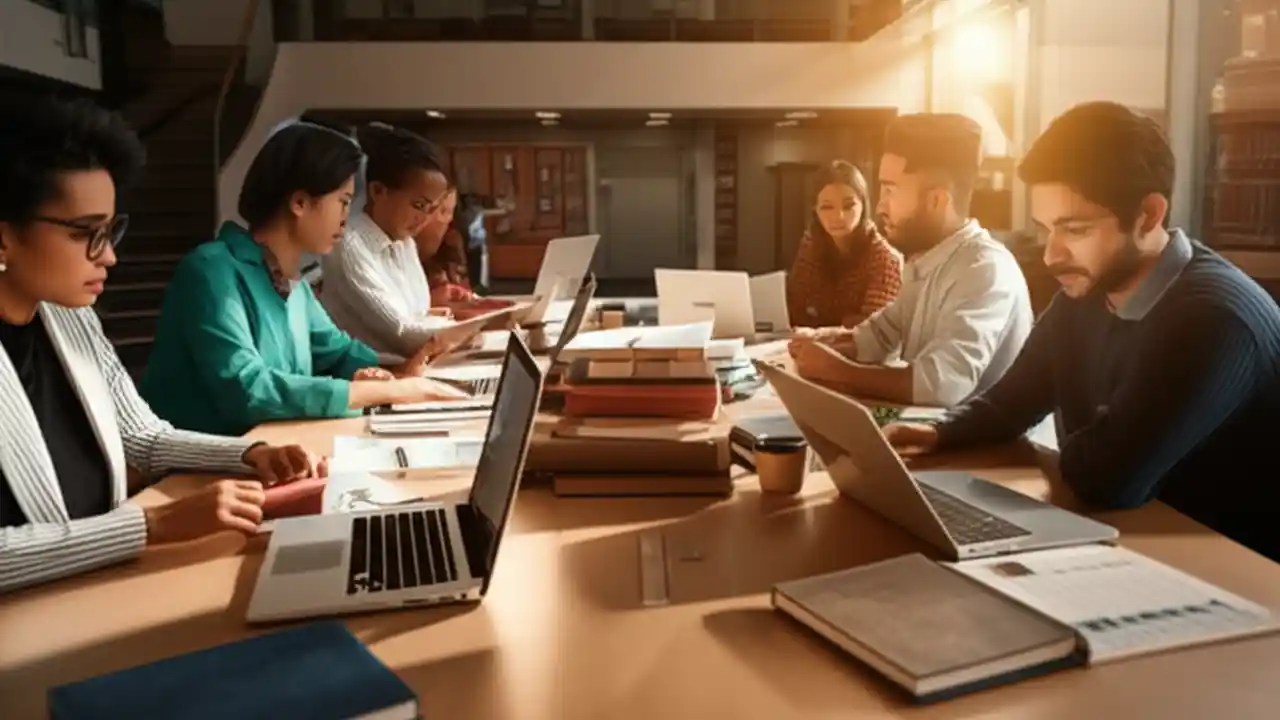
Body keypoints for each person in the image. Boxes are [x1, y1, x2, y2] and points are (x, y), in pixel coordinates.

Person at [883, 102, 1280, 560]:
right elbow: (1012, 403)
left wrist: (1078, 447)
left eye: (1074, 229)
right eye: (1045, 229)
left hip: (1236, 570)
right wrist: (940, 432)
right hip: (1133, 540)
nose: (1051, 255)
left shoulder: (1213, 320)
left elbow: (1109, 478)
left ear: (1148, 215)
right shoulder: (1087, 291)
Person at [0, 98, 324, 593]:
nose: (109, 256)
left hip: (96, 586)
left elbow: (144, 438)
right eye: (86, 233)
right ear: (4, 238)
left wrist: (252, 454)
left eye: (111, 231)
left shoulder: (69, 319)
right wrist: (152, 524)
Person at [142, 119, 464, 436]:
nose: (345, 217)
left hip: (275, 449)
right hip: (208, 462)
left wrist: (392, 375)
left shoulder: (292, 283)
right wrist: (385, 390)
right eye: (343, 202)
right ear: (299, 203)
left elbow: (339, 353)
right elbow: (248, 389)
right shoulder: (211, 271)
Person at [788, 114, 1033, 407]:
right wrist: (821, 344)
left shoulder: (984, 268)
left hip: (981, 436)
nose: (880, 206)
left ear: (936, 201)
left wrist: (837, 370)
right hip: (929, 427)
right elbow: (879, 335)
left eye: (890, 190)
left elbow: (940, 384)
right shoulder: (926, 260)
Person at [319, 123, 462, 358]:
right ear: (378, 191)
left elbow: (417, 316)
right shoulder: (348, 245)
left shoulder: (404, 241)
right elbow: (403, 335)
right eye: (419, 205)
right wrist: (469, 329)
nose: (424, 219)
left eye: (431, 209)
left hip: (411, 366)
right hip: (371, 372)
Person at [787, 160, 902, 330]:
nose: (838, 216)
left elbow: (873, 330)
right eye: (827, 207)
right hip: (810, 340)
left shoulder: (885, 259)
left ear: (863, 205)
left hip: (862, 345)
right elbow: (795, 307)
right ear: (815, 210)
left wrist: (820, 329)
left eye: (849, 206)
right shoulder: (811, 244)